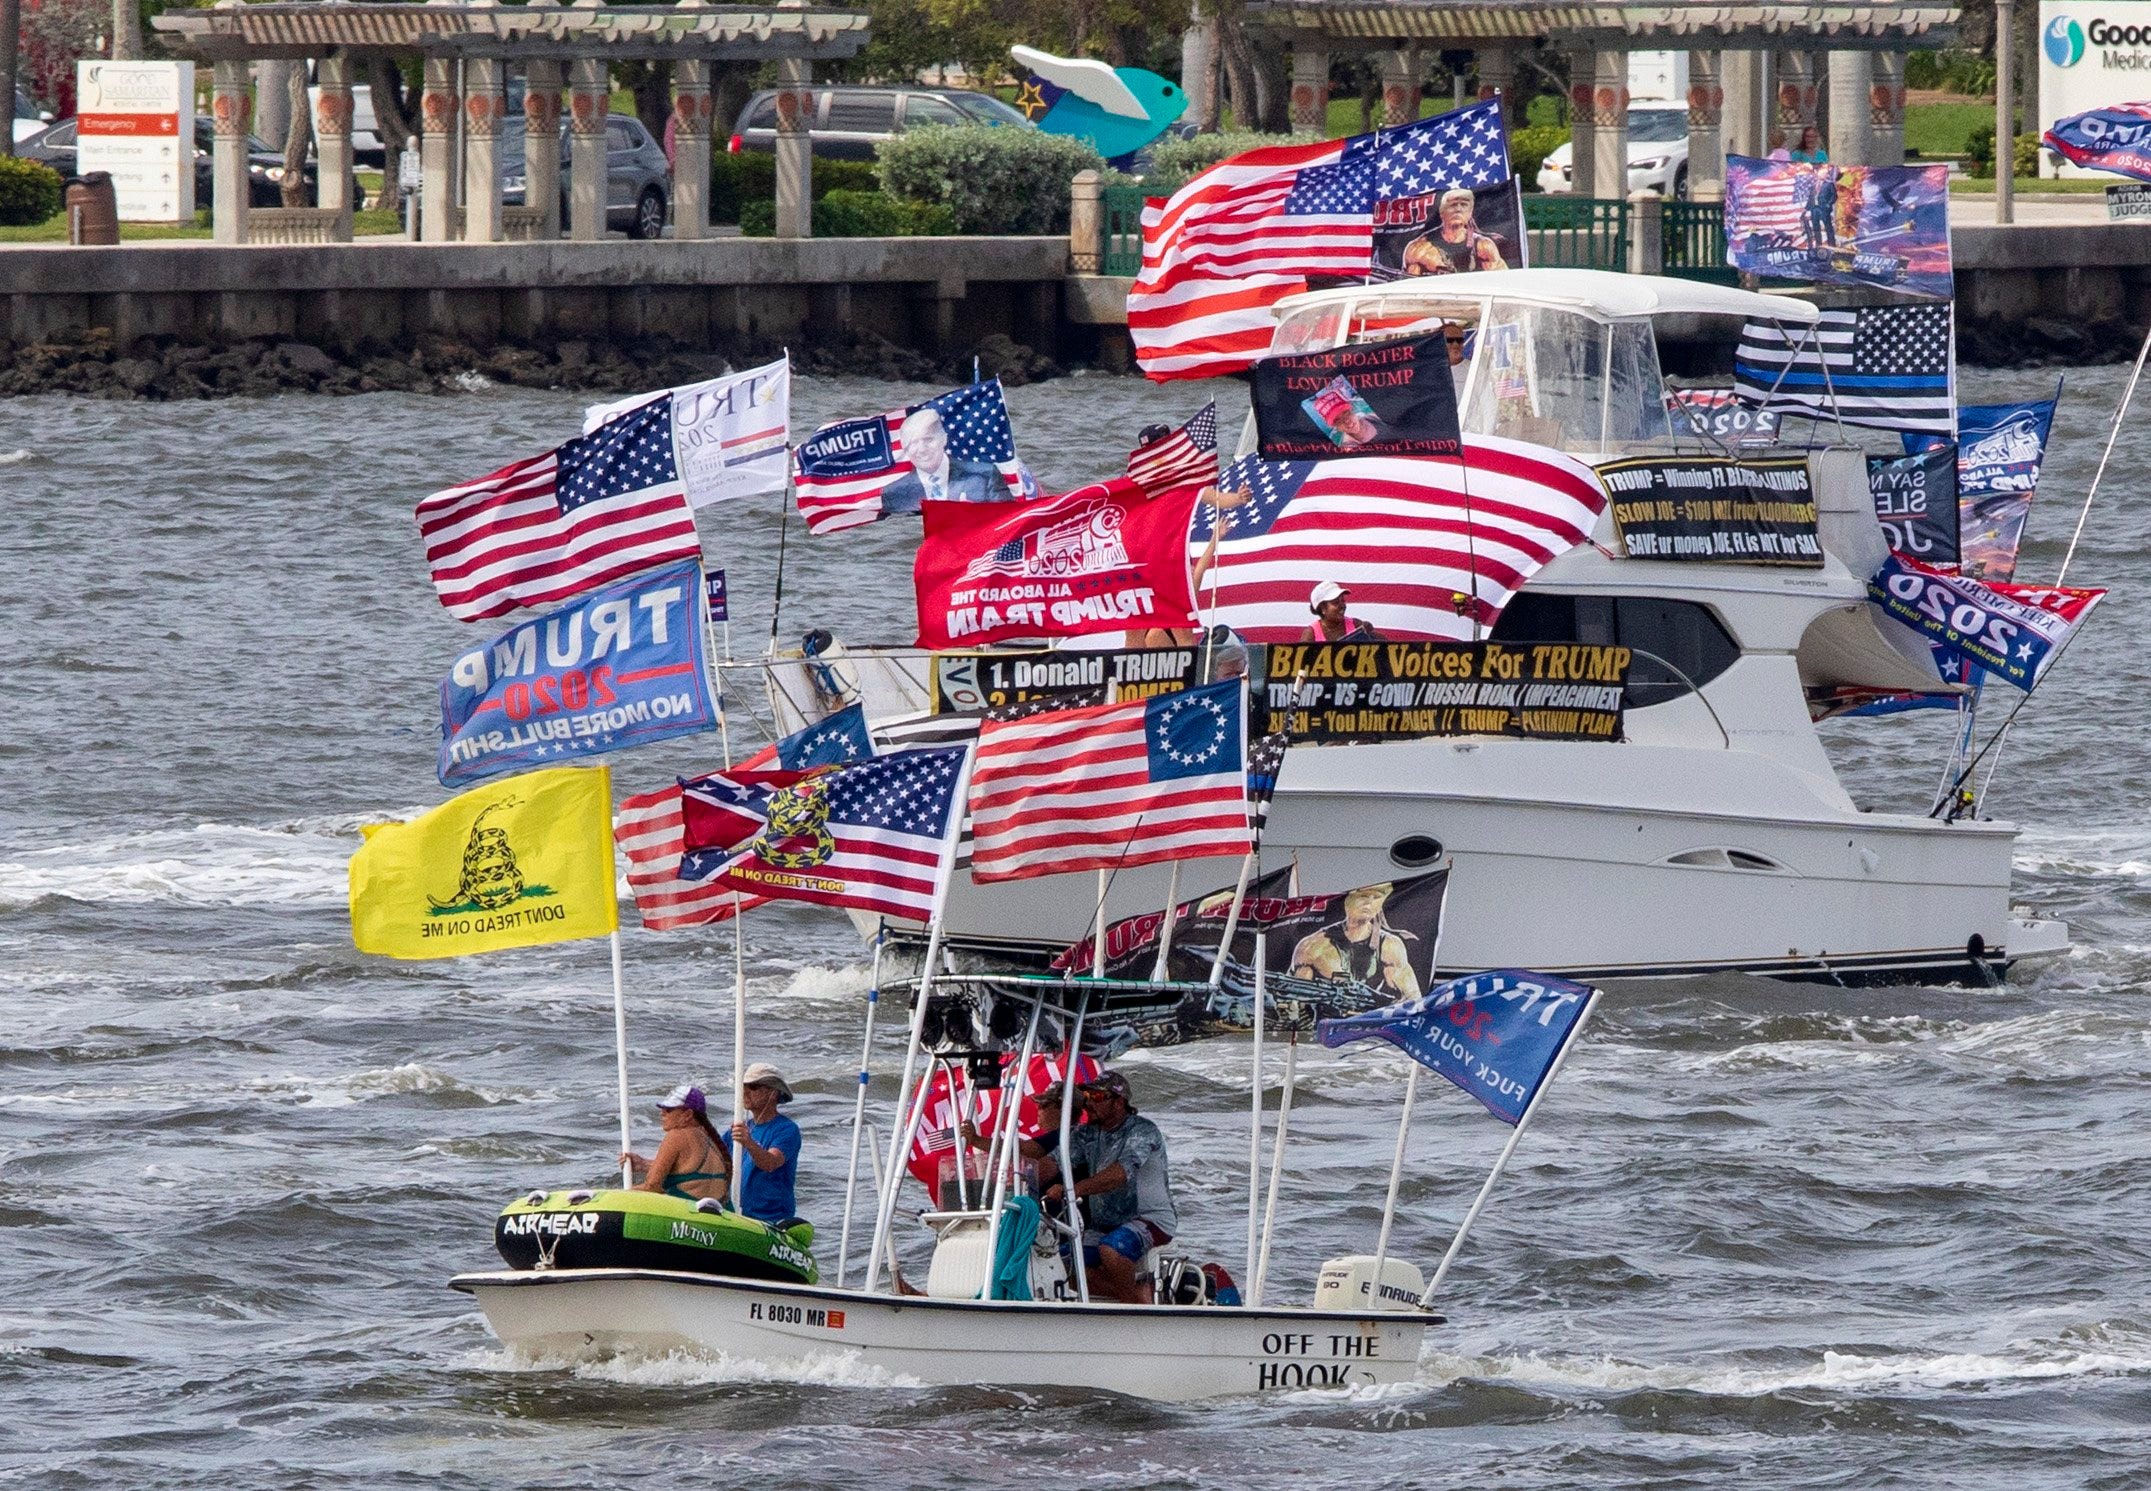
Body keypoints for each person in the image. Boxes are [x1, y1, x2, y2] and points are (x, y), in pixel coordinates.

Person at [1039, 1071, 1179, 1304]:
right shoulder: (1086, 1134)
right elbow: (1052, 1162)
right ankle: (1136, 1296)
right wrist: (1023, 1183)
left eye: (1097, 1096)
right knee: (1060, 1263)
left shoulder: (1142, 1131)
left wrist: (1070, 1190)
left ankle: (1136, 1310)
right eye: (1086, 1095)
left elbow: (1118, 1175)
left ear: (1119, 1102)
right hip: (1104, 1225)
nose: (1088, 1102)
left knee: (1112, 1249)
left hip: (1150, 1220)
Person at [1288, 883, 1423, 1000]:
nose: (1369, 902)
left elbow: (1413, 999)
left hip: (1371, 1023)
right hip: (1327, 1023)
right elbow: (1293, 999)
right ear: (1347, 901)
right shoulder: (1312, 946)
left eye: (1376, 897)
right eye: (1363, 896)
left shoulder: (1390, 946)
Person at [619, 1083, 732, 1203]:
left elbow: (652, 1187)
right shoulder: (710, 1139)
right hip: (719, 1214)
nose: (662, 1113)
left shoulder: (677, 1135)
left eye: (668, 1109)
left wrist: (613, 1196)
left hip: (688, 1215)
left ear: (688, 1114)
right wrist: (644, 1165)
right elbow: (689, 1171)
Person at [882, 407, 1000, 511]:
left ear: (943, 439)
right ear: (905, 448)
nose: (922, 449)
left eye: (928, 439)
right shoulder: (893, 492)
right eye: (913, 443)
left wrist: (975, 513)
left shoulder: (986, 476)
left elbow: (1006, 522)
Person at [730, 1062, 803, 1226]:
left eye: (753, 1087)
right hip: (738, 1213)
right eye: (744, 1086)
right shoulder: (738, 1129)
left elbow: (770, 1163)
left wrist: (748, 1142)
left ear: (773, 1093)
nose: (746, 1092)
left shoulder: (787, 1130)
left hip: (771, 1218)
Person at [1400, 188, 1508, 276]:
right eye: (1453, 205)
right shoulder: (1420, 249)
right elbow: (1410, 290)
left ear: (1470, 213)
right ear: (1442, 212)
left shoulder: (1484, 246)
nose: (1458, 209)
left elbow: (1500, 282)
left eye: (1464, 205)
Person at [1301, 579, 1379, 643]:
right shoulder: (1311, 634)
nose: (1342, 606)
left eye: (1343, 600)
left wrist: (1371, 635)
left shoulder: (1356, 625)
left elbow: (1386, 647)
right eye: (1336, 602)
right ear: (1323, 608)